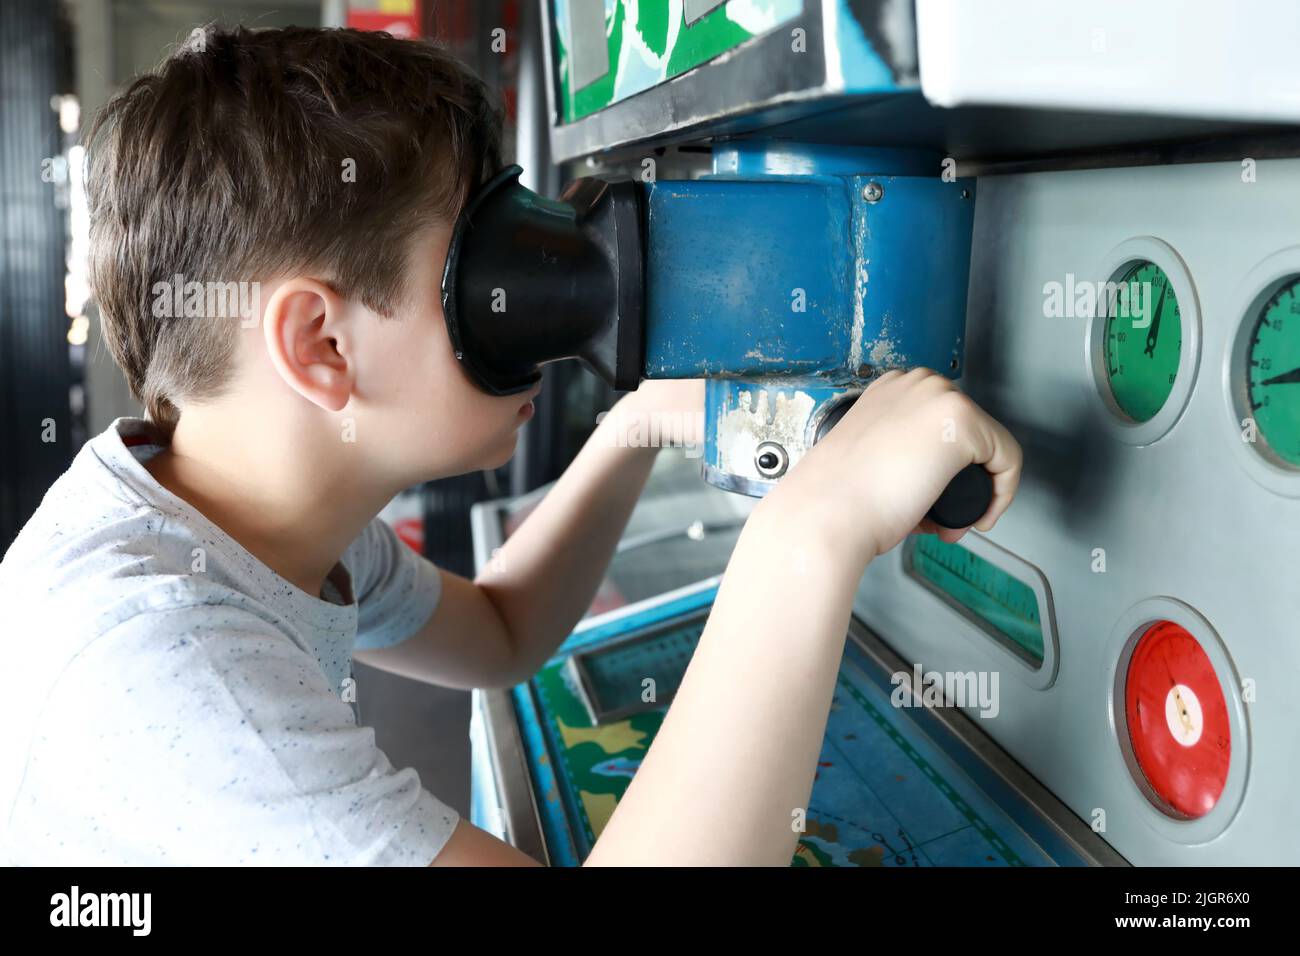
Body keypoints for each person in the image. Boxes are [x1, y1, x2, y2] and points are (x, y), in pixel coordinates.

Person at [0, 25, 1021, 866]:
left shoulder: (238, 502)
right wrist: (814, 528)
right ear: (321, 344)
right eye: (492, 261)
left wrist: (637, 423)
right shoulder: (160, 663)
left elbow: (499, 633)